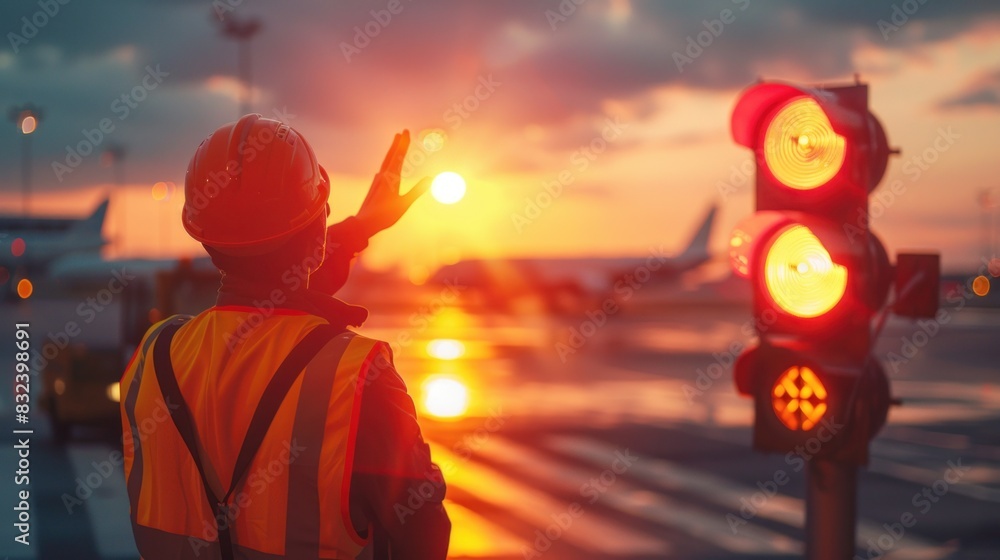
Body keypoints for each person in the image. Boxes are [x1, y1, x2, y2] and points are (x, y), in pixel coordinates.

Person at [120, 114, 450, 559]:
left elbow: (268, 306)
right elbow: (425, 535)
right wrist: (349, 231)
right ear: (317, 234)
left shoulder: (154, 358)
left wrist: (353, 229)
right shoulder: (357, 376)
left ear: (204, 239)